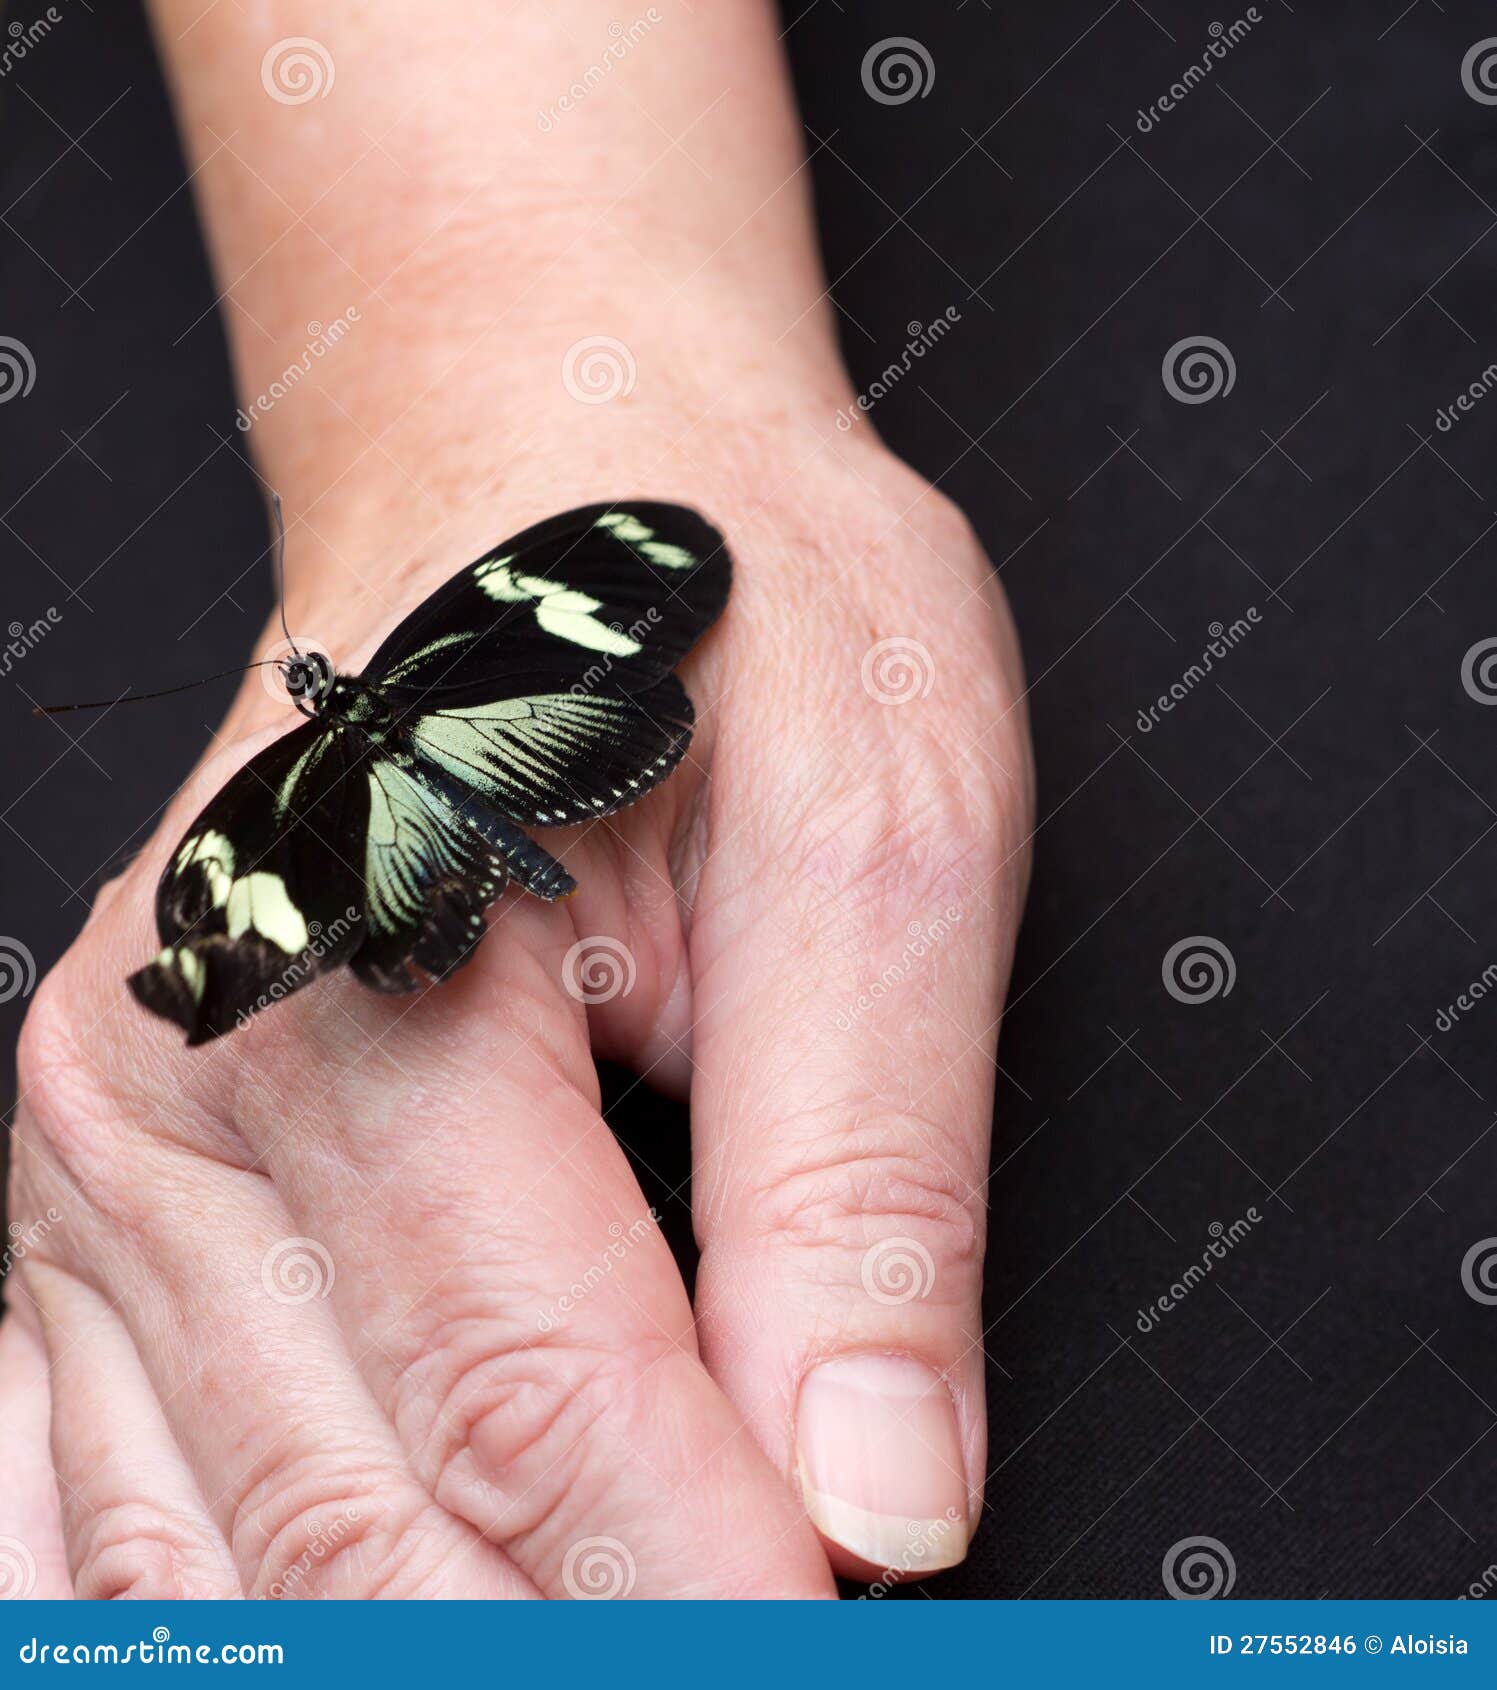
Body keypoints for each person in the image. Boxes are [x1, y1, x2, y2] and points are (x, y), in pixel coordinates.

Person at [0, 0, 1031, 1598]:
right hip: (463, 767)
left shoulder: (306, 769)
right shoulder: (290, 797)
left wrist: (531, 352)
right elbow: (238, 947)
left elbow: (640, 541)